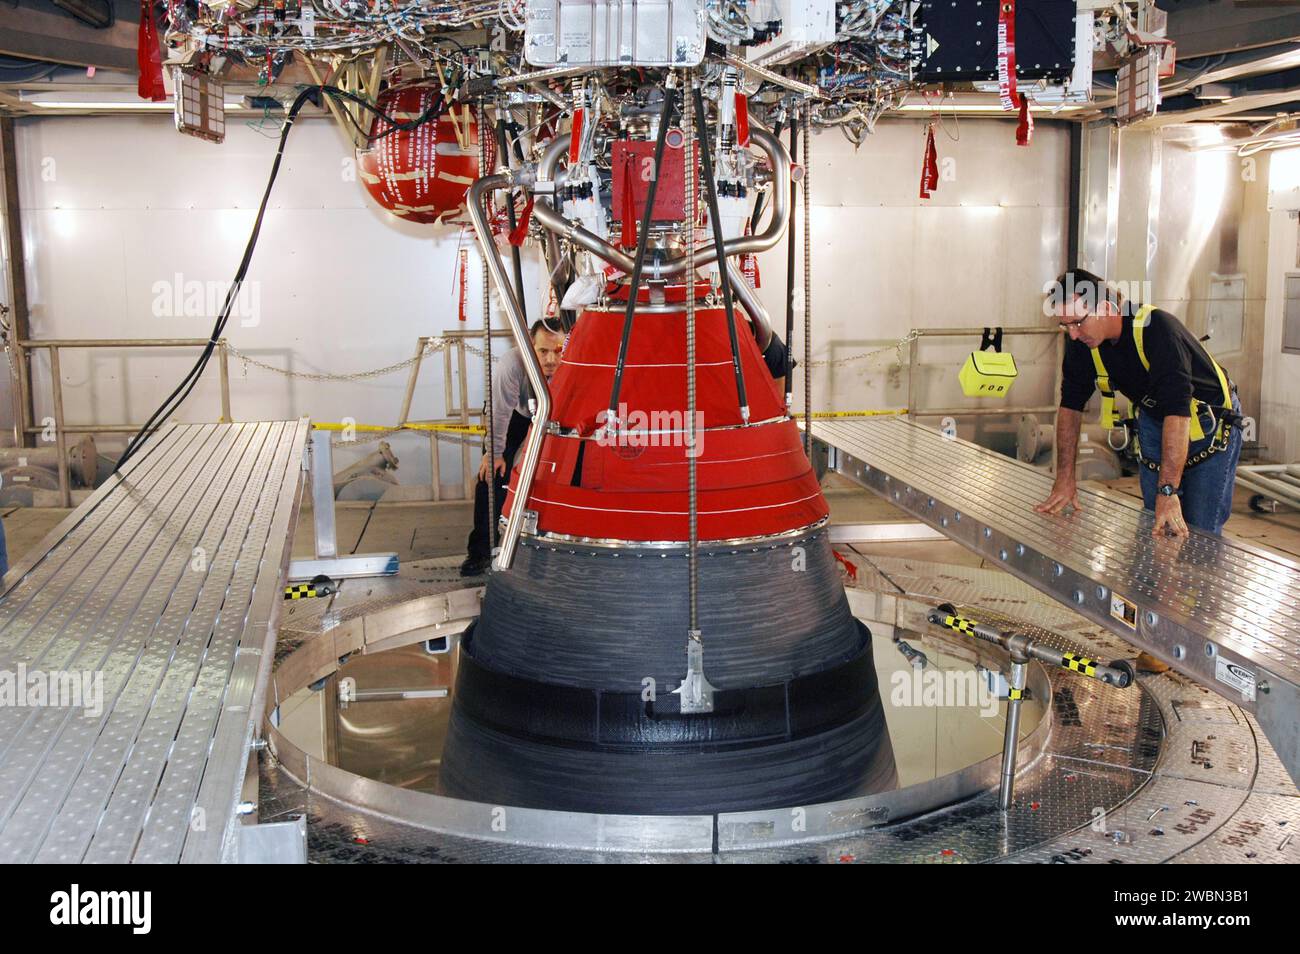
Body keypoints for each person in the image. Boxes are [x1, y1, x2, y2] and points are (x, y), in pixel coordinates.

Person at [1036, 269, 1243, 538]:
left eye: (1078, 323)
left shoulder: (1158, 331)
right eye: (1066, 325)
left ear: (1106, 307)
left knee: (1199, 531)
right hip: (1156, 418)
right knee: (1157, 524)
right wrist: (1064, 479)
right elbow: (1070, 406)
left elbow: (1178, 413)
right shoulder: (1083, 343)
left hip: (1209, 425)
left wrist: (1168, 491)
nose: (1073, 335)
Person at [460, 319, 566, 576]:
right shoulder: (512, 364)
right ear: (531, 346)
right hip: (517, 412)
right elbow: (500, 412)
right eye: (543, 351)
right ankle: (481, 552)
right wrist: (494, 453)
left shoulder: (575, 361)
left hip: (557, 412)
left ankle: (558, 544)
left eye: (558, 350)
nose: (551, 359)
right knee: (491, 474)